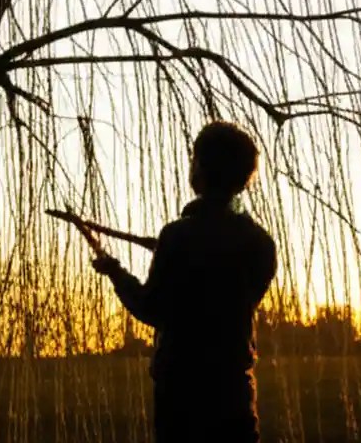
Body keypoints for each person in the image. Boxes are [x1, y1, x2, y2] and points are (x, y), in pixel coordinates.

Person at [91, 121, 277, 442]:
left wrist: (116, 273)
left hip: (182, 397)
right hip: (235, 393)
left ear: (202, 169)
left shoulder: (178, 236)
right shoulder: (260, 242)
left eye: (194, 158)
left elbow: (151, 308)